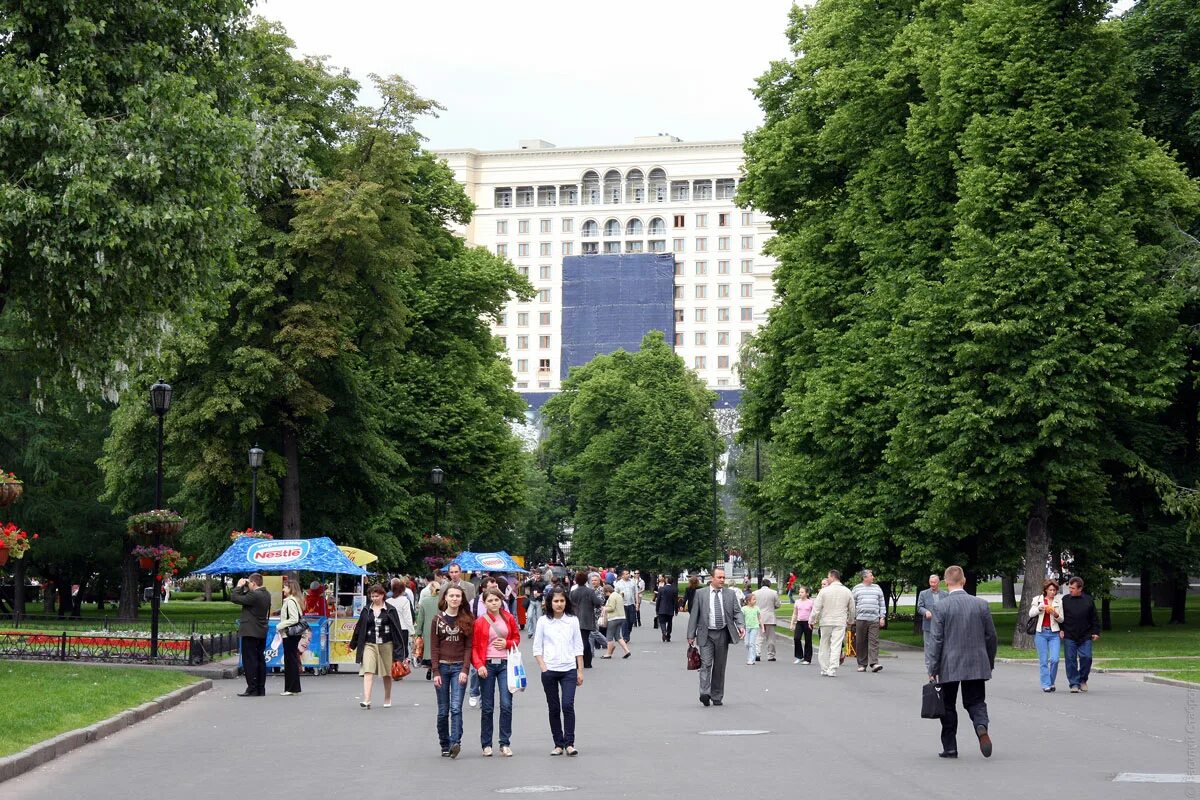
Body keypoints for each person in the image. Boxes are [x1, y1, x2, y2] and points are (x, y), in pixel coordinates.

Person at [926, 565, 997, 759]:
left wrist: (932, 667)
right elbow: (991, 636)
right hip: (976, 662)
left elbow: (936, 640)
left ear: (945, 583)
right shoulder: (981, 604)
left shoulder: (941, 607)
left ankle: (950, 747)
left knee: (948, 705)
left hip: (949, 664)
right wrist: (988, 661)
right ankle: (981, 726)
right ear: (964, 581)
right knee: (976, 701)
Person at [533, 585, 584, 756]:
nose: (559, 604)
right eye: (556, 601)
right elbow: (536, 648)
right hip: (550, 670)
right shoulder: (543, 621)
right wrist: (544, 668)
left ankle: (570, 743)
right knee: (554, 708)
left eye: (562, 601)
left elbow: (578, 646)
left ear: (566, 602)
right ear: (549, 603)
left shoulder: (572, 620)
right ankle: (558, 744)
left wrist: (580, 671)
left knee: (568, 705)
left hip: (569, 669)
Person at [472, 588, 521, 757]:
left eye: (496, 600)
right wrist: (479, 665)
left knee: (506, 704)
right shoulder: (479, 622)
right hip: (487, 664)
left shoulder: (508, 618)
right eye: (490, 600)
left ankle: (505, 742)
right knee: (487, 706)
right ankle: (486, 743)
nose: (494, 603)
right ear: (484, 603)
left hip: (505, 664)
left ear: (501, 601)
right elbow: (475, 647)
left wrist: (507, 644)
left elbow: (516, 638)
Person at [686, 567, 745, 706]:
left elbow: (737, 612)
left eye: (724, 577)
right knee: (706, 663)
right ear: (712, 578)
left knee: (719, 666)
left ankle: (716, 695)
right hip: (705, 633)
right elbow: (694, 614)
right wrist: (690, 634)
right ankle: (705, 693)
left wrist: (741, 625)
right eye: (719, 577)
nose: (722, 580)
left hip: (722, 633)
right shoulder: (701, 594)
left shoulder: (730, 594)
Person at [431, 584, 474, 758]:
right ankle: (444, 743)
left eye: (458, 596)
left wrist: (465, 669)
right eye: (452, 596)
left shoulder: (467, 619)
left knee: (456, 707)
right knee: (443, 710)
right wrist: (435, 671)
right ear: (445, 598)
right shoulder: (437, 620)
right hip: (441, 667)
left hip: (458, 667)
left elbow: (468, 647)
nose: (455, 599)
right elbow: (434, 647)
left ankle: (455, 742)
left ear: (462, 599)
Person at [348, 583, 406, 709]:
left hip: (387, 644)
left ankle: (387, 697)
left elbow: (397, 630)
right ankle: (367, 699)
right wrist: (352, 645)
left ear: (382, 595)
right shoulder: (366, 610)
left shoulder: (390, 610)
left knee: (387, 673)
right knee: (368, 670)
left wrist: (400, 651)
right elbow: (359, 628)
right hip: (369, 643)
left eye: (376, 595)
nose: (374, 598)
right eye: (372, 596)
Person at [231, 572, 271, 697]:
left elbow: (235, 598)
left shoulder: (254, 594)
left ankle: (252, 688)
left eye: (249, 582)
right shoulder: (266, 594)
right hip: (261, 630)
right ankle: (260, 688)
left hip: (250, 631)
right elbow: (246, 599)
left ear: (253, 583)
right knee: (260, 659)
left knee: (250, 660)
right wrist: (246, 587)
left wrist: (239, 586)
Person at [810, 569, 854, 678]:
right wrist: (850, 620)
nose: (827, 579)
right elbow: (852, 609)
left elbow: (816, 607)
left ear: (833, 577)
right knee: (836, 645)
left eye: (828, 577)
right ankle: (832, 668)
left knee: (824, 644)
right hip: (840, 621)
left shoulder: (824, 591)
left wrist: (812, 620)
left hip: (826, 621)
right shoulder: (847, 591)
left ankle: (824, 668)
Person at [1060, 576, 1101, 693]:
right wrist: (1061, 629)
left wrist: (1096, 632)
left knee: (1086, 657)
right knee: (1070, 660)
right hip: (1069, 634)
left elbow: (1094, 618)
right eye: (1069, 588)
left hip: (1085, 635)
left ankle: (1083, 680)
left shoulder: (1088, 600)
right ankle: (1074, 683)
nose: (1070, 590)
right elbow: (1060, 617)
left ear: (1080, 589)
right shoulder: (1065, 600)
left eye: (1073, 588)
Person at [1029, 579, 1064, 692]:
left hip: (1054, 633)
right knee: (1043, 660)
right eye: (1050, 590)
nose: (1052, 592)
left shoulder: (1059, 601)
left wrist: (1055, 614)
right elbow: (1031, 613)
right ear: (1045, 590)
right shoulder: (1038, 600)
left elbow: (1062, 619)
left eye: (1054, 590)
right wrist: (1040, 608)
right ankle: (1046, 684)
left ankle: (1051, 681)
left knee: (1055, 659)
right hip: (1041, 633)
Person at [851, 569, 886, 673]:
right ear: (865, 577)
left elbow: (882, 603)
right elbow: (852, 604)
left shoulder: (877, 588)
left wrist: (882, 617)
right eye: (871, 576)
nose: (873, 577)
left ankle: (874, 663)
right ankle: (862, 664)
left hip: (874, 619)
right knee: (860, 642)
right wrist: (852, 618)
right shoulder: (857, 588)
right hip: (861, 619)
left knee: (874, 641)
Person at [277, 577, 305, 696]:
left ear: (290, 588)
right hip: (293, 634)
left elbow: (294, 619)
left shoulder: (290, 601)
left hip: (290, 634)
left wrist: (280, 625)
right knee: (291, 659)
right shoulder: (295, 600)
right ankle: (293, 687)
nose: (283, 589)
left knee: (290, 660)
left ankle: (291, 688)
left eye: (285, 587)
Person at [414, 573, 442, 680]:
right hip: (440, 626)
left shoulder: (425, 601)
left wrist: (418, 632)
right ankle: (437, 669)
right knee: (439, 648)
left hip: (427, 628)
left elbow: (420, 618)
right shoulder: (444, 601)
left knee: (429, 649)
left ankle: (430, 668)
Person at [569, 571, 600, 668]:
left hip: (575, 618)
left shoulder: (573, 592)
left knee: (577, 641)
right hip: (587, 619)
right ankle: (586, 662)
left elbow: (569, 605)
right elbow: (597, 603)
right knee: (585, 640)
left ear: (576, 581)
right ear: (586, 580)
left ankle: (578, 662)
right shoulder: (590, 592)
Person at [387, 577, 415, 663]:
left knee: (392, 649)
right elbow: (407, 617)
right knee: (402, 649)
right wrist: (412, 631)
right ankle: (399, 669)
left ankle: (392, 666)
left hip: (391, 629)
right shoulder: (405, 601)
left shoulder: (388, 601)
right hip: (403, 629)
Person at [917, 574, 948, 649]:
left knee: (941, 647)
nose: (932, 584)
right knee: (928, 647)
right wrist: (925, 612)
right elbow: (919, 607)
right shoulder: (923, 594)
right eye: (931, 582)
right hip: (928, 625)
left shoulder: (946, 594)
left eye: (934, 582)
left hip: (941, 625)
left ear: (939, 583)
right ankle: (929, 661)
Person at [754, 578, 781, 661]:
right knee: (770, 638)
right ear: (769, 585)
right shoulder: (774, 593)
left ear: (761, 584)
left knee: (758, 637)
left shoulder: (755, 593)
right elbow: (778, 604)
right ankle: (770, 655)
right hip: (770, 617)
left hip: (759, 617)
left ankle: (757, 653)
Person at [601, 584, 631, 658]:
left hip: (613, 618)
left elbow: (612, 608)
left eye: (605, 592)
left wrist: (604, 608)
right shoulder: (618, 595)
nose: (605, 594)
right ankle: (627, 651)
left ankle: (608, 653)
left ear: (607, 591)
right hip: (621, 617)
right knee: (617, 636)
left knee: (609, 636)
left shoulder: (612, 597)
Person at [791, 586, 814, 664]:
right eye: (799, 592)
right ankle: (799, 656)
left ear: (807, 593)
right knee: (796, 638)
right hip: (799, 622)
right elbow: (795, 613)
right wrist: (792, 623)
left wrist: (813, 621)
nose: (800, 593)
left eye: (802, 592)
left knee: (808, 640)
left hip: (808, 623)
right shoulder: (797, 602)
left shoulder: (811, 602)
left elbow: (814, 613)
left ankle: (807, 659)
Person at [613, 570, 637, 642]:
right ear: (622, 575)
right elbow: (615, 594)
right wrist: (620, 595)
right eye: (626, 574)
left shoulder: (632, 582)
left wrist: (637, 603)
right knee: (624, 621)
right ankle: (625, 637)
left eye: (628, 574)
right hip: (622, 604)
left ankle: (628, 633)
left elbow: (636, 592)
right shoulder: (618, 583)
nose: (628, 575)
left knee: (631, 620)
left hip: (631, 603)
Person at [655, 574, 678, 642]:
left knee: (662, 622)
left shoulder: (661, 589)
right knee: (670, 622)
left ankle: (664, 632)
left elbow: (658, 600)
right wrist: (676, 610)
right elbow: (675, 601)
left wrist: (657, 609)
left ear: (666, 581)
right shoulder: (674, 589)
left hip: (662, 608)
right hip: (670, 609)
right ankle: (668, 634)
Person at [525, 569, 548, 633]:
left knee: (539, 618)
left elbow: (545, 591)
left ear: (540, 574)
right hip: (531, 600)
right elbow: (525, 585)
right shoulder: (532, 581)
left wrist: (539, 594)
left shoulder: (544, 582)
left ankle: (539, 632)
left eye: (538, 574)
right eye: (536, 574)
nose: (537, 576)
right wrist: (530, 580)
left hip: (539, 601)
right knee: (529, 616)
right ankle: (530, 631)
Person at [743, 591, 760, 665]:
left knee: (751, 643)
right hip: (747, 627)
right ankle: (753, 652)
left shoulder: (756, 608)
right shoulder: (743, 608)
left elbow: (759, 618)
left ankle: (751, 659)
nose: (755, 601)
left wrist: (762, 626)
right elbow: (741, 617)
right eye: (754, 599)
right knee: (746, 643)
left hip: (754, 627)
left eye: (755, 599)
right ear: (748, 601)